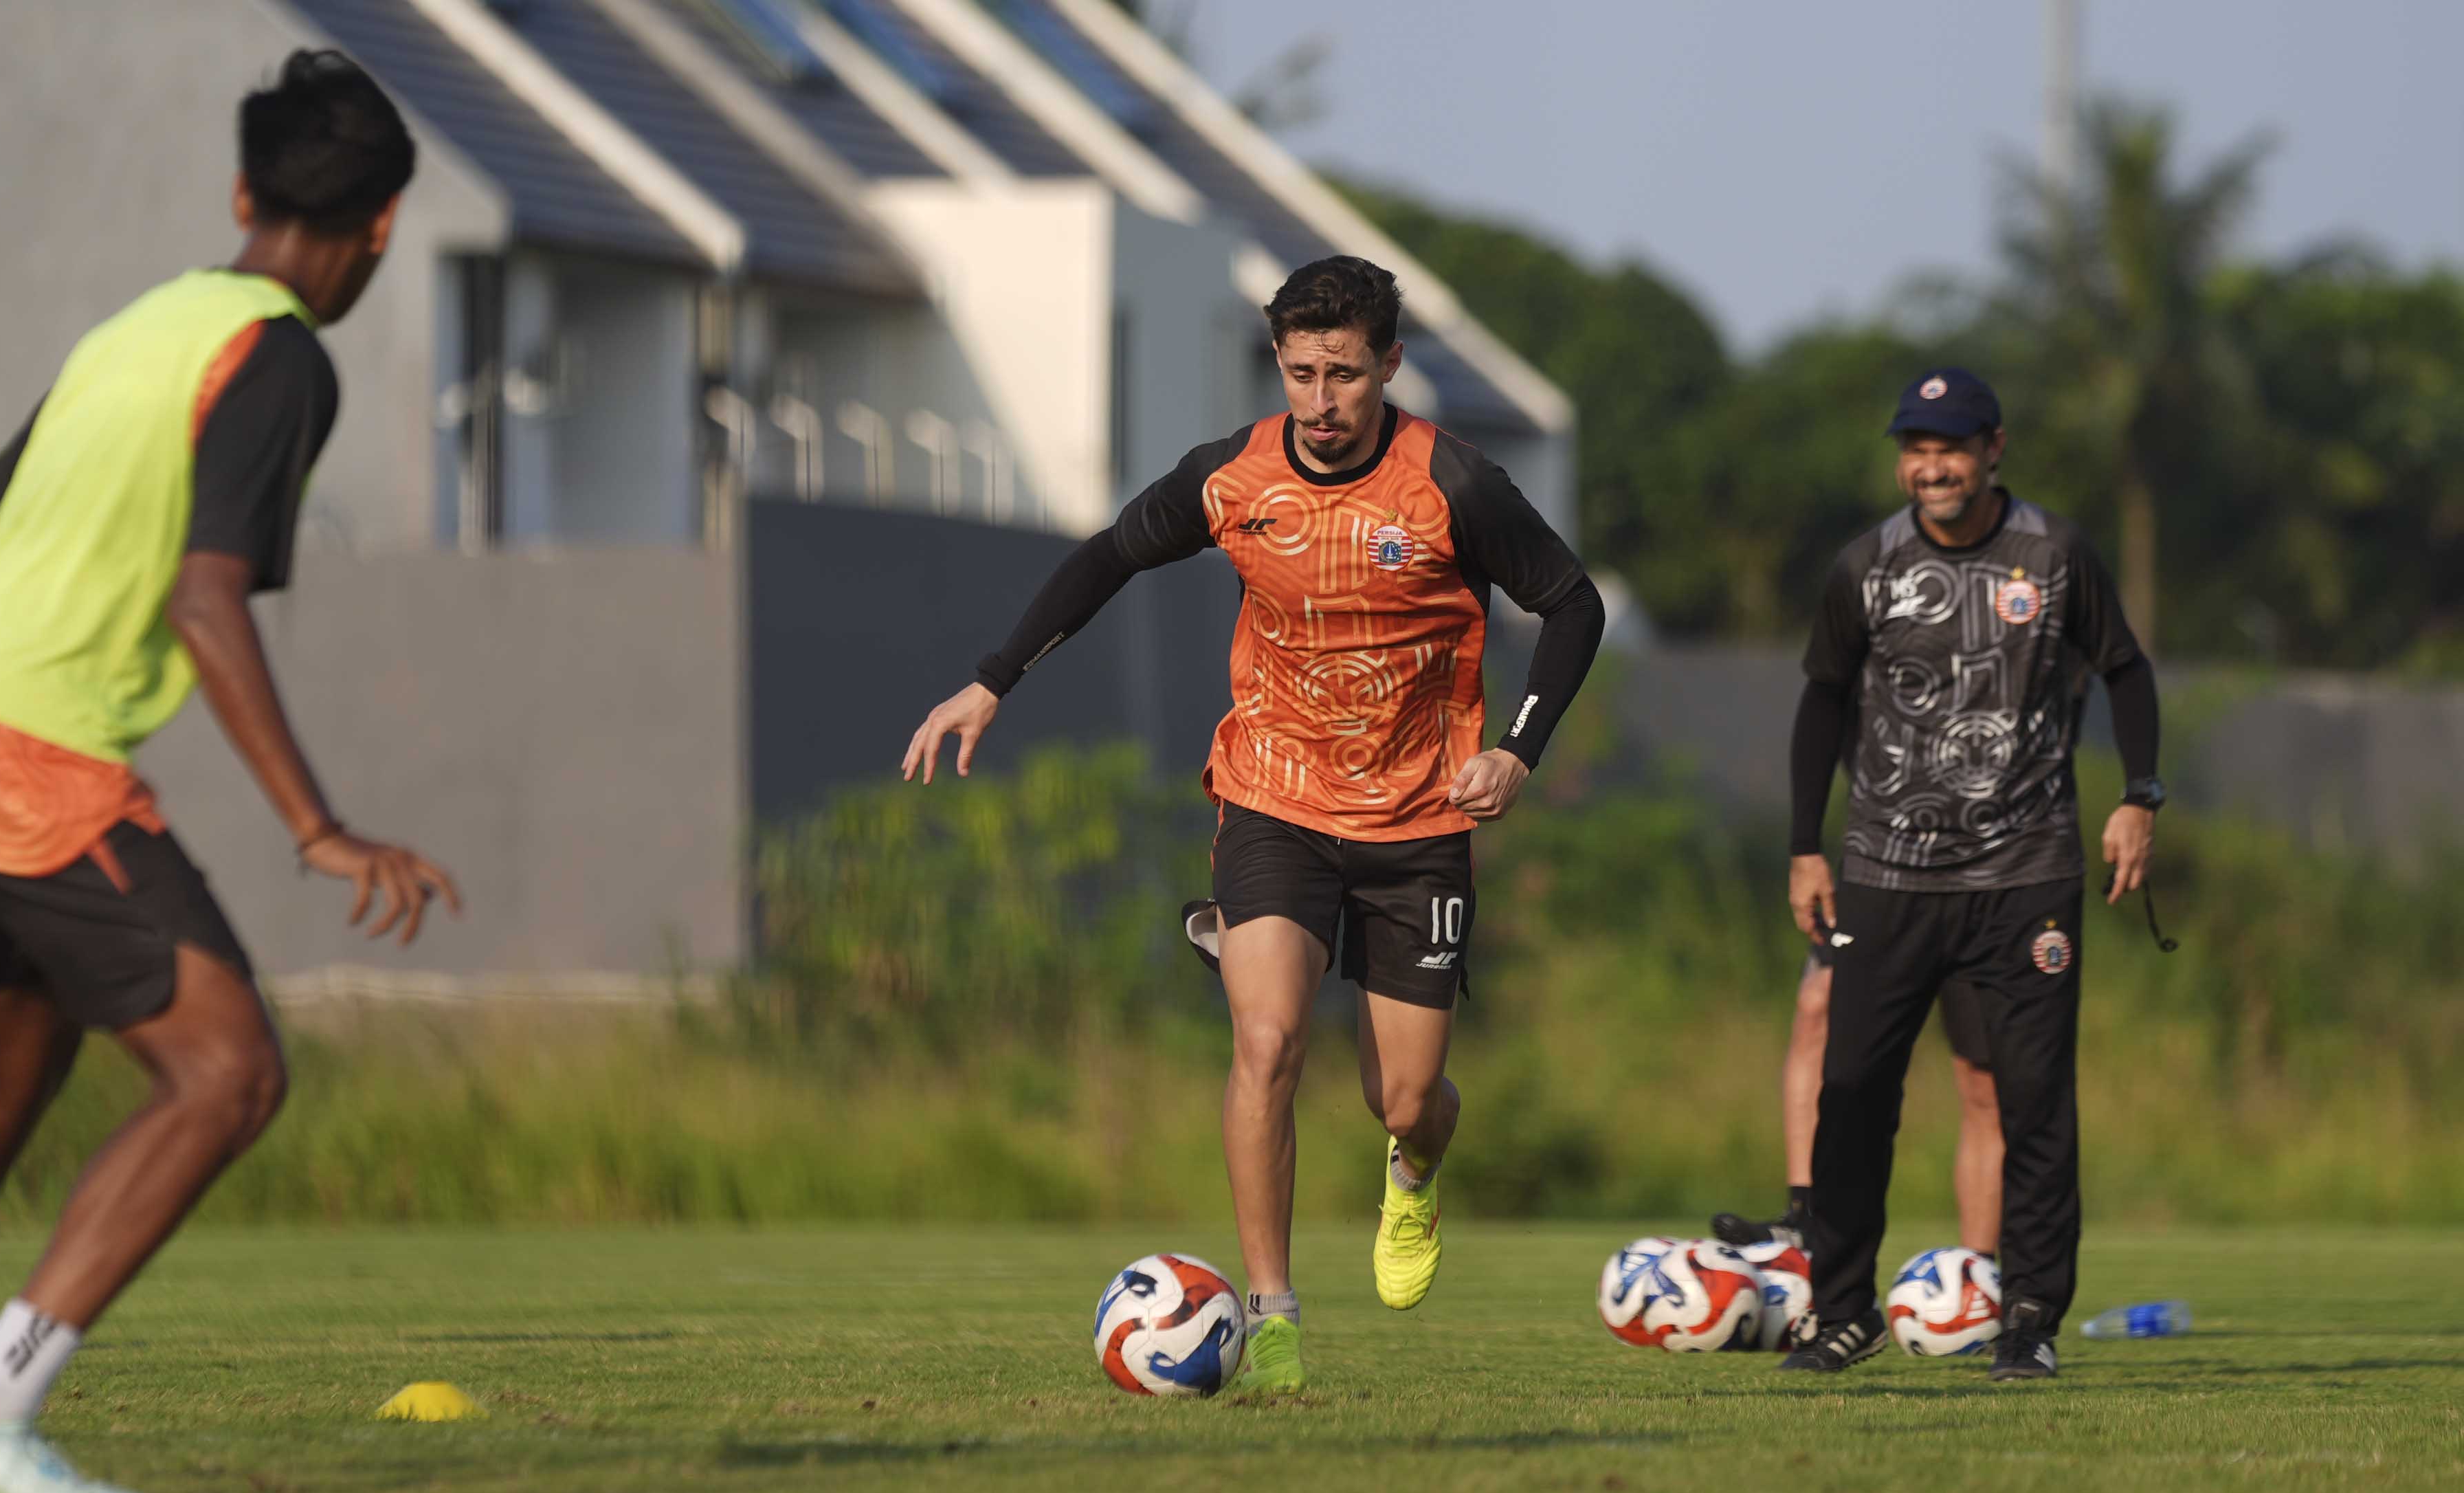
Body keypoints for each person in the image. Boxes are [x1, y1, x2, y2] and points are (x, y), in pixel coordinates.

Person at [0, 51, 457, 1493]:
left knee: (2, 1075)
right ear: (383, 228)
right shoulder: (277, 355)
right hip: (21, 752)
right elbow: (210, 601)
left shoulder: (137, 327)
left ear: (240, 193)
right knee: (230, 1069)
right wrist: (317, 826)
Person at [902, 256, 1604, 1395]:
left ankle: (1413, 1175)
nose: (1321, 401)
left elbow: (1574, 603)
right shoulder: (1232, 475)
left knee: (1407, 1099)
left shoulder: (1454, 485)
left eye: (1344, 376)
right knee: (1269, 1042)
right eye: (1300, 374)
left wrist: (1516, 749)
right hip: (1270, 795)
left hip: (1418, 820)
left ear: (1387, 366)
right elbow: (1105, 559)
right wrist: (992, 681)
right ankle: (1272, 1309)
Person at [1777, 368, 2163, 1381]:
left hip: (2027, 874)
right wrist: (1803, 846)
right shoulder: (1867, 565)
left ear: (1994, 449)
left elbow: (2125, 669)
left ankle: (2030, 1320)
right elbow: (1820, 702)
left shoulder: (2056, 553)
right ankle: (1842, 1312)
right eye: (1915, 446)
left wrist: (2139, 798)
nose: (1931, 465)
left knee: (2034, 1098)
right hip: (1887, 875)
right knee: (1853, 1091)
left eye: (1951, 446)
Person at [1713, 908, 2003, 1261]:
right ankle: (1806, 1218)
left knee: (1981, 1080)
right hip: (1885, 869)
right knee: (1819, 1000)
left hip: (1979, 877)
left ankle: (1976, 1271)